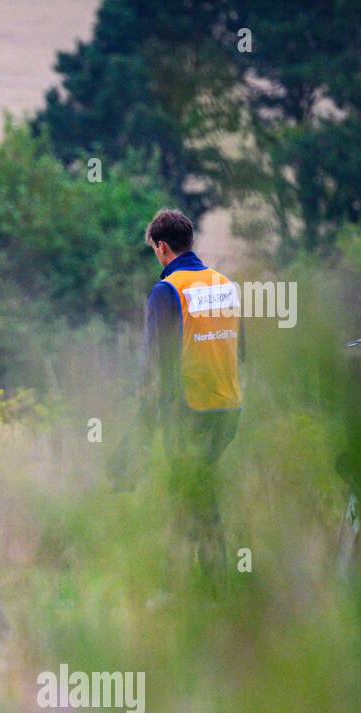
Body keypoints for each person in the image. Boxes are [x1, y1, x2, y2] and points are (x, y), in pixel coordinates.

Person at [140, 208, 244, 578]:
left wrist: (144, 424)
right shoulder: (226, 285)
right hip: (229, 409)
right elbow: (240, 351)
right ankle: (205, 580)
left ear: (162, 247)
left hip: (188, 411)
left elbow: (155, 364)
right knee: (200, 486)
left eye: (155, 248)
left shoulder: (166, 291)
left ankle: (188, 580)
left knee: (190, 489)